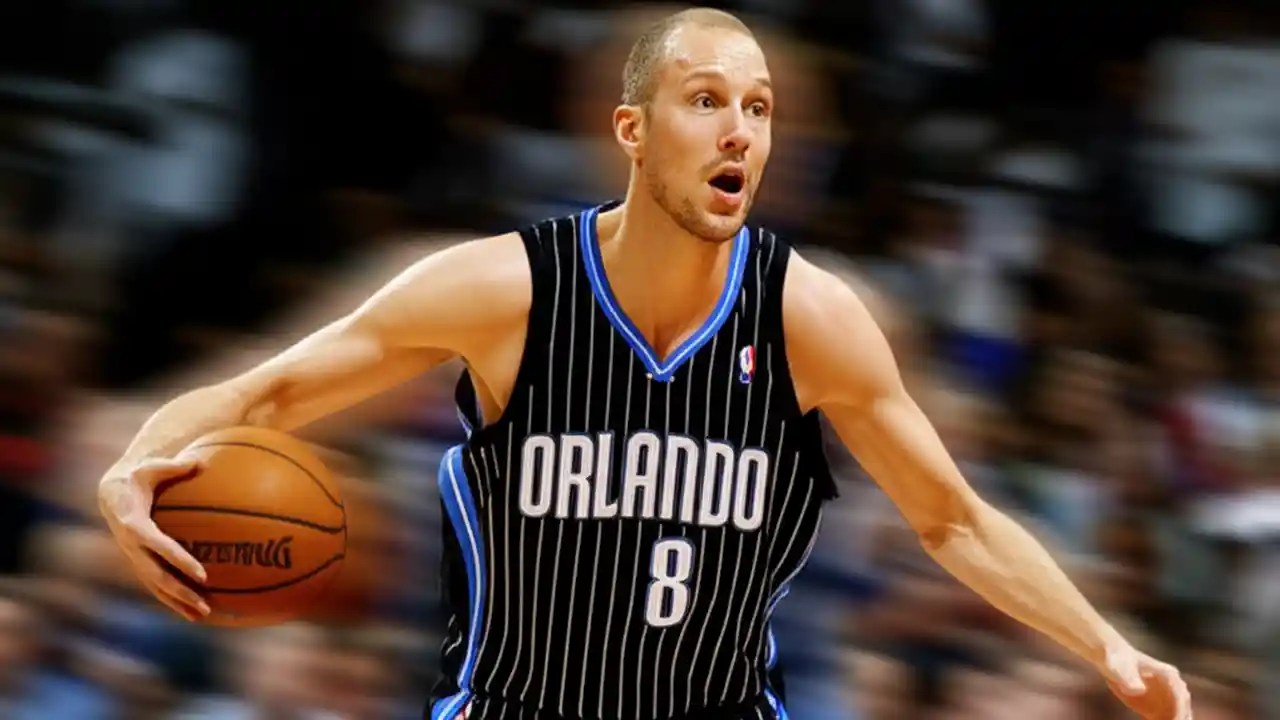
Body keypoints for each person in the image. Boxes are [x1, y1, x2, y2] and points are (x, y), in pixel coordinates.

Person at [96, 7, 1192, 720]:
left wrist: (1105, 646)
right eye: (706, 101)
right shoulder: (501, 290)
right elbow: (265, 393)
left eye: (756, 111)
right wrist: (137, 462)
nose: (738, 133)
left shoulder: (813, 316)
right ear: (630, 128)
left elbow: (951, 518)